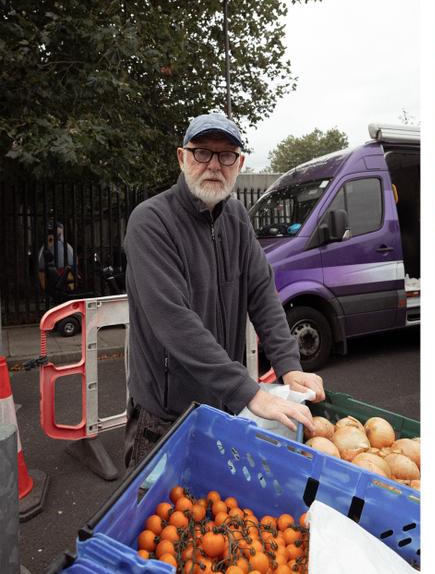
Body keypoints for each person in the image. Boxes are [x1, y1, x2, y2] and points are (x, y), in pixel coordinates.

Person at [122, 113, 326, 468]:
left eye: (226, 155)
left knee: (216, 515)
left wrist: (289, 365)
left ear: (240, 163)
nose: (214, 165)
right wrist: (248, 391)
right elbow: (174, 321)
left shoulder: (236, 218)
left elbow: (262, 294)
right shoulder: (151, 221)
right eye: (202, 152)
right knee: (156, 518)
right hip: (166, 419)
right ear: (182, 157)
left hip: (223, 407)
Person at [36, 221, 77, 308]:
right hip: (54, 270)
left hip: (65, 269)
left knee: (65, 288)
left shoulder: (64, 246)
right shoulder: (49, 245)